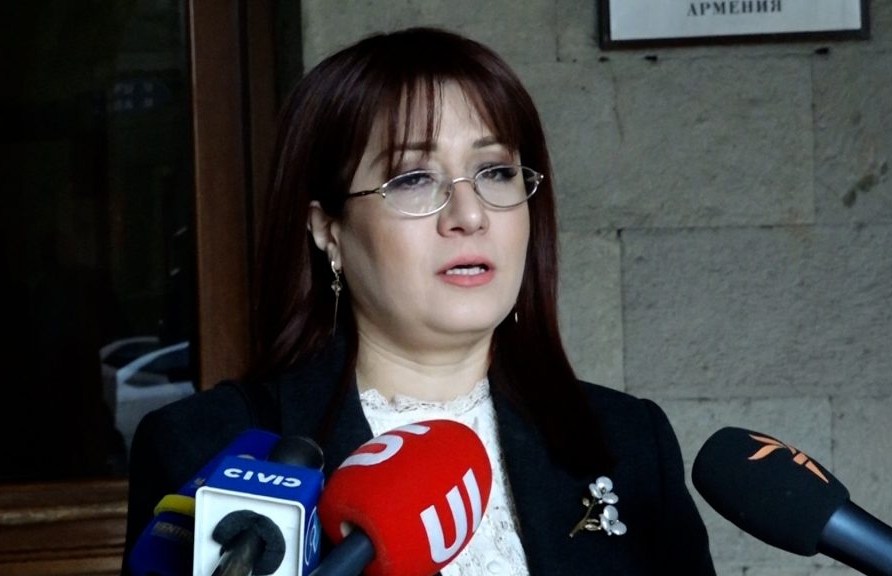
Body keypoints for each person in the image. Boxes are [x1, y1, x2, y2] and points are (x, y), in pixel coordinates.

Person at [123, 27, 716, 574]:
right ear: (328, 229)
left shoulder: (630, 440)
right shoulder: (207, 447)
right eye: (413, 179)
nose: (470, 215)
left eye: (495, 171)